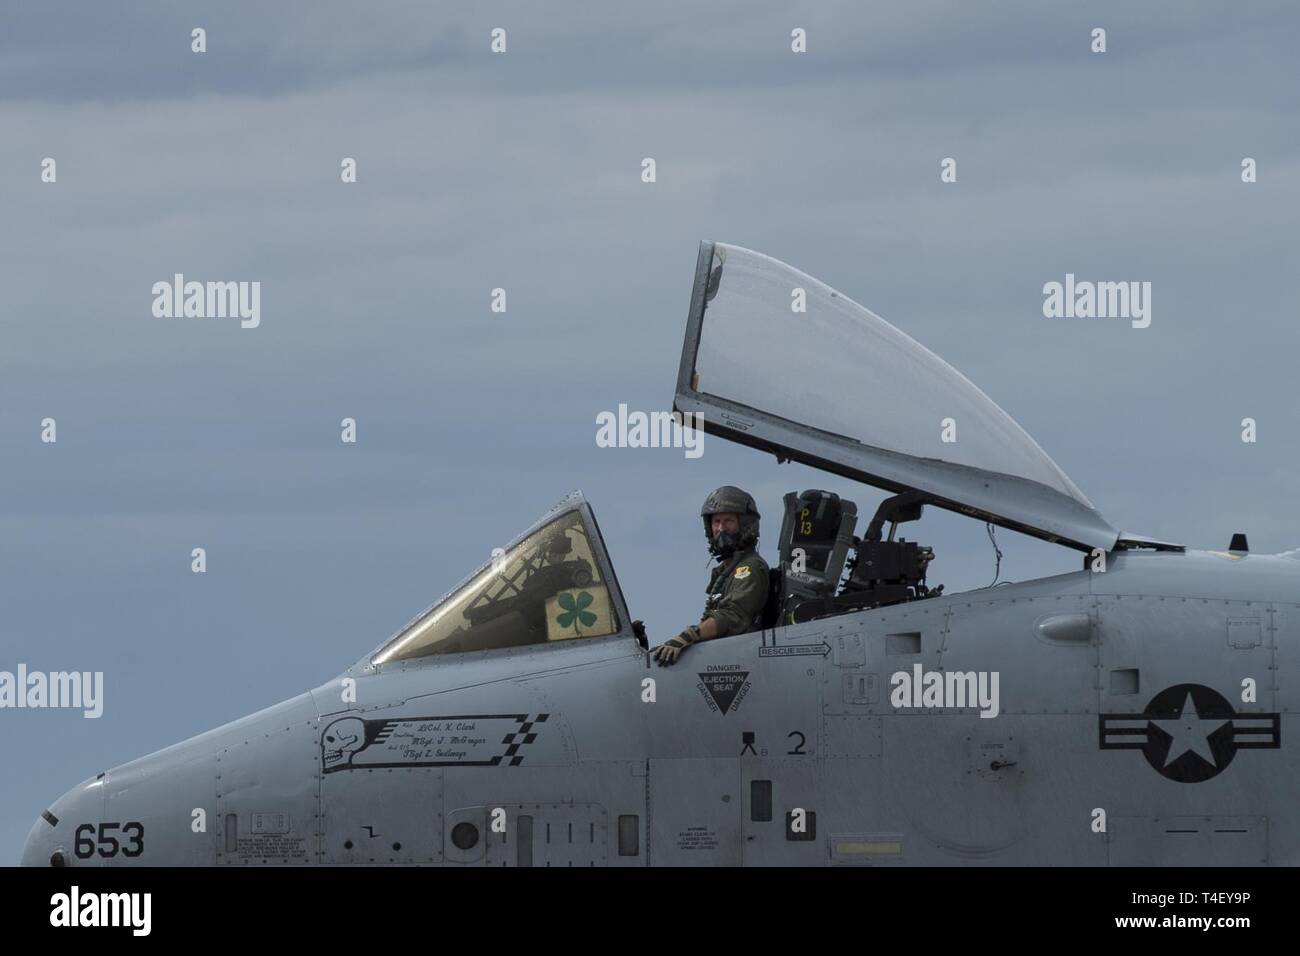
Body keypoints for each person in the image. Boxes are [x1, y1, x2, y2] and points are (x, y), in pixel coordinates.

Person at [653, 486, 770, 666]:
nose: (721, 529)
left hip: (741, 660)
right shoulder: (725, 570)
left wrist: (688, 636)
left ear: (745, 524)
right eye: (716, 522)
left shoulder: (750, 567)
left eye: (728, 521)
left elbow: (733, 616)